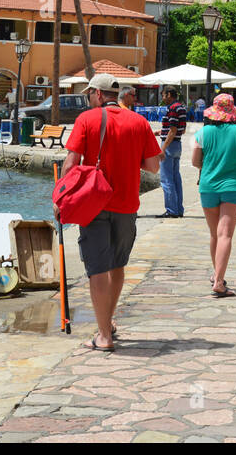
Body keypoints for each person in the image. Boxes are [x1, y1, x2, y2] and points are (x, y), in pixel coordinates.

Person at [57, 74, 162, 352]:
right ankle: (108, 321)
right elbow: (153, 167)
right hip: (126, 205)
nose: (89, 98)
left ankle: (104, 335)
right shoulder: (139, 122)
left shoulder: (87, 120)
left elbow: (71, 164)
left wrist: (60, 197)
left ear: (98, 95)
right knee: (117, 266)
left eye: (90, 93)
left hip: (93, 204)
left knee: (97, 270)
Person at [191, 93, 236, 297]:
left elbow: (195, 162)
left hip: (208, 186)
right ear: (232, 112)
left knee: (215, 234)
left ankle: (216, 273)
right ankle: (219, 281)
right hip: (233, 186)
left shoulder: (203, 133)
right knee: (225, 234)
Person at [157, 87, 187, 218]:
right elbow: (181, 129)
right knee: (176, 178)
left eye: (163, 95)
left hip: (169, 145)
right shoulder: (181, 107)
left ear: (169, 94)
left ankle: (171, 210)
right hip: (177, 145)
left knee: (166, 179)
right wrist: (160, 132)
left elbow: (173, 130)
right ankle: (178, 209)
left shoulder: (172, 108)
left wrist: (162, 149)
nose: (163, 98)